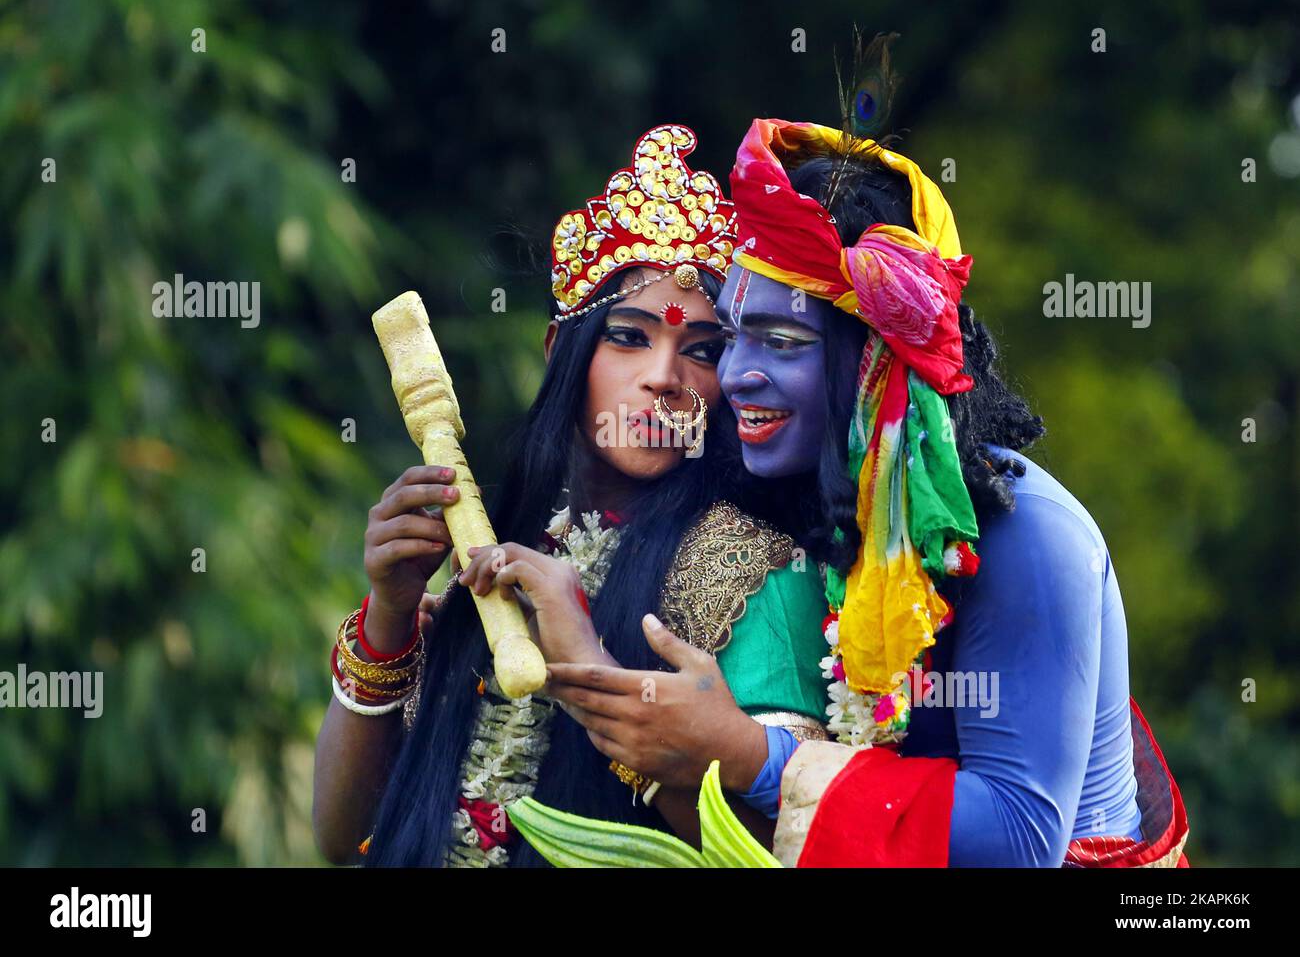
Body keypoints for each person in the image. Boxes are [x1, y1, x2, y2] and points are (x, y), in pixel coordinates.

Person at [544, 113, 1190, 868]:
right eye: (734, 335)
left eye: (781, 343)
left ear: (878, 357)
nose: (736, 374)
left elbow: (1021, 835)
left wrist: (751, 755)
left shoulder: (1030, 533)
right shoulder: (820, 505)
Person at [311, 125, 832, 868]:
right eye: (628, 337)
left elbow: (778, 857)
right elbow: (342, 839)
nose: (663, 377)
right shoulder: (496, 545)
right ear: (564, 353)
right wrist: (388, 617)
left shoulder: (752, 573)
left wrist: (590, 671)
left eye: (704, 350)